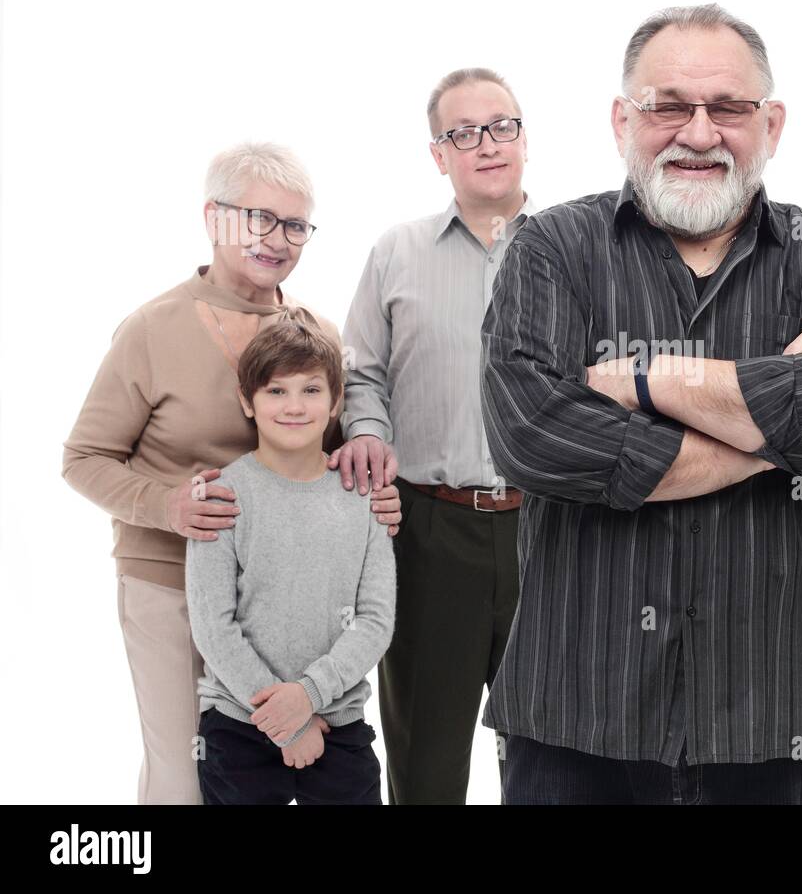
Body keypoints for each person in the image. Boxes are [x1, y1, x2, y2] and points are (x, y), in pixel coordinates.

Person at [479, 3, 802, 805]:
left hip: (785, 727)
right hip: (578, 723)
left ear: (770, 123)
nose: (699, 133)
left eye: (729, 109)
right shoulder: (550, 249)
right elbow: (534, 434)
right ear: (621, 121)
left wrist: (643, 380)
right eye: (669, 106)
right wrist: (775, 421)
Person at [61, 142, 402, 804]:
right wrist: (170, 507)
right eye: (259, 219)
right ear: (215, 218)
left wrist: (372, 492)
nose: (278, 240)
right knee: (182, 771)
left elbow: (334, 451)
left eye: (296, 225)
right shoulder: (152, 329)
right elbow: (83, 459)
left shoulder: (316, 336)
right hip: (168, 582)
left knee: (282, 753)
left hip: (283, 588)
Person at [337, 67, 535, 803]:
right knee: (426, 760)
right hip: (427, 530)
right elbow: (361, 374)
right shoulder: (398, 252)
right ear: (438, 154)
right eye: (463, 132)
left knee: (551, 750)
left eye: (501, 126)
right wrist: (366, 434)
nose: (486, 144)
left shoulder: (575, 249)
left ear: (523, 138)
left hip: (549, 532)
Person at [186, 318, 396, 804]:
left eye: (310, 389)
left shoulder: (364, 498)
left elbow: (374, 620)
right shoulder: (223, 495)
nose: (295, 406)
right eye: (276, 390)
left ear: (336, 400)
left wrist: (308, 697)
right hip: (240, 725)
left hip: (338, 722)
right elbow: (214, 626)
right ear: (247, 401)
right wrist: (285, 720)